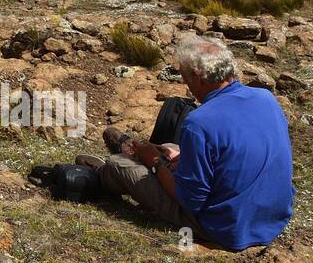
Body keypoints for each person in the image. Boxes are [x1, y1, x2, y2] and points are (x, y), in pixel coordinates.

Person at [93, 34, 294, 250]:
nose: (187, 86)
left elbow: (189, 200)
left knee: (120, 165)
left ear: (198, 77)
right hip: (273, 219)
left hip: (226, 227)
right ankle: (134, 153)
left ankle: (100, 174)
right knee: (173, 148)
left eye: (185, 78)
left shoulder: (199, 122)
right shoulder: (265, 98)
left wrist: (155, 163)